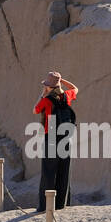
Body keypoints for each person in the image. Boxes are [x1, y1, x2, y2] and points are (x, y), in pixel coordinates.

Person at [33, 71, 80, 212]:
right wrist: (62, 81)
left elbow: (35, 110)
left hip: (51, 139)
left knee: (48, 173)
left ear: (48, 86)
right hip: (66, 138)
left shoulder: (46, 100)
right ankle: (61, 204)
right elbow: (75, 88)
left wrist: (43, 93)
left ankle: (44, 206)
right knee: (64, 172)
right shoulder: (66, 96)